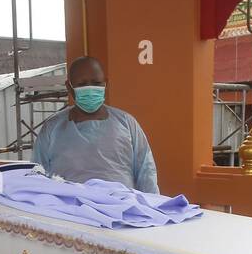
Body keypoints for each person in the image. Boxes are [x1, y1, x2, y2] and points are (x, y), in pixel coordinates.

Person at [31, 56, 159, 193]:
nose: (90, 89)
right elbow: (37, 176)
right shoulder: (52, 128)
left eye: (96, 83)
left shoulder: (127, 123)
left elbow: (146, 173)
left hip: (121, 208)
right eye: (82, 84)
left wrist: (153, 209)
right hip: (69, 209)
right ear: (69, 87)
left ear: (105, 83)